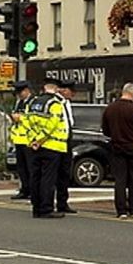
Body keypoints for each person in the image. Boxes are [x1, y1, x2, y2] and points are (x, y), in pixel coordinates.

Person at [101, 83, 133, 219]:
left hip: (117, 148)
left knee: (120, 180)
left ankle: (121, 210)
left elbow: (105, 130)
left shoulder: (110, 109)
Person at [25, 77, 69, 219]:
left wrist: (34, 140)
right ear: (56, 89)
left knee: (35, 177)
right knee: (48, 179)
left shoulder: (32, 103)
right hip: (52, 146)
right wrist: (40, 140)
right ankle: (46, 208)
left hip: (34, 147)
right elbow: (52, 125)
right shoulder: (55, 103)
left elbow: (26, 122)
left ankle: (36, 208)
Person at [55, 79, 78, 214]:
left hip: (67, 140)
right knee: (55, 174)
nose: (73, 94)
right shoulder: (55, 102)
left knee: (65, 173)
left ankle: (62, 202)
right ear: (63, 90)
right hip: (57, 141)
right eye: (71, 91)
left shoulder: (67, 103)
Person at [9, 80, 33, 200]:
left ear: (27, 90)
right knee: (21, 168)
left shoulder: (33, 102)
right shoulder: (19, 102)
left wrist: (21, 118)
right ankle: (24, 189)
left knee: (30, 168)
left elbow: (34, 119)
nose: (19, 95)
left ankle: (32, 190)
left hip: (29, 140)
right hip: (19, 140)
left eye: (21, 92)